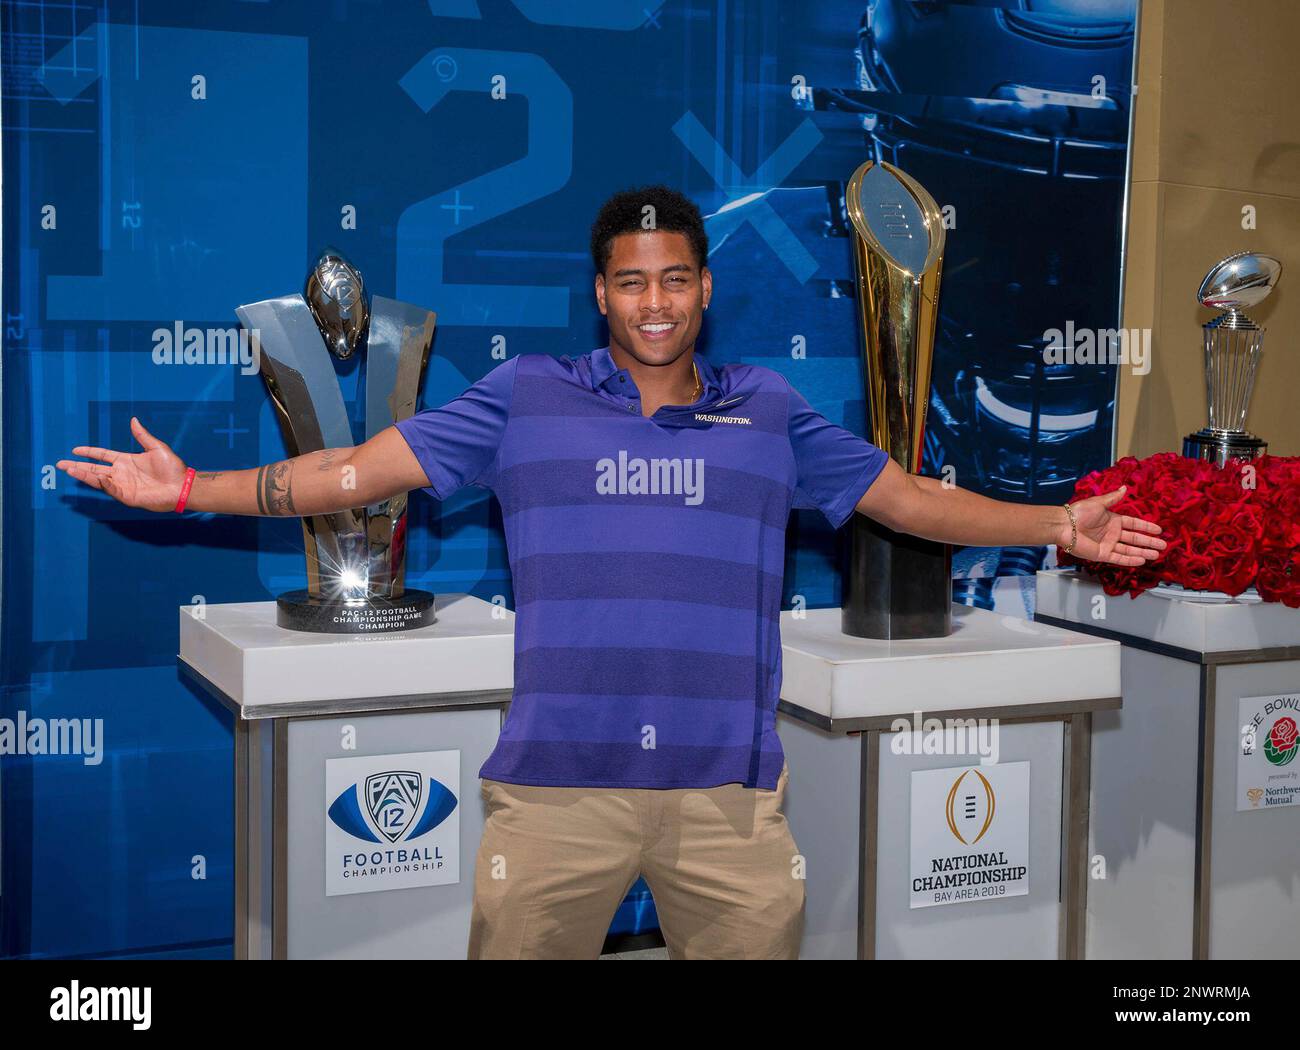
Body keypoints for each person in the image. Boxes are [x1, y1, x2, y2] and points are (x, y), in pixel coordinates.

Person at [58, 186, 1164, 960]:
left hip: (726, 798)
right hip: (553, 794)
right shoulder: (525, 397)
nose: (653, 302)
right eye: (632, 282)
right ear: (600, 291)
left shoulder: (766, 410)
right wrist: (189, 486)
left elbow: (907, 500)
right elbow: (350, 471)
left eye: (675, 280)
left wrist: (1058, 522)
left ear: (704, 289)